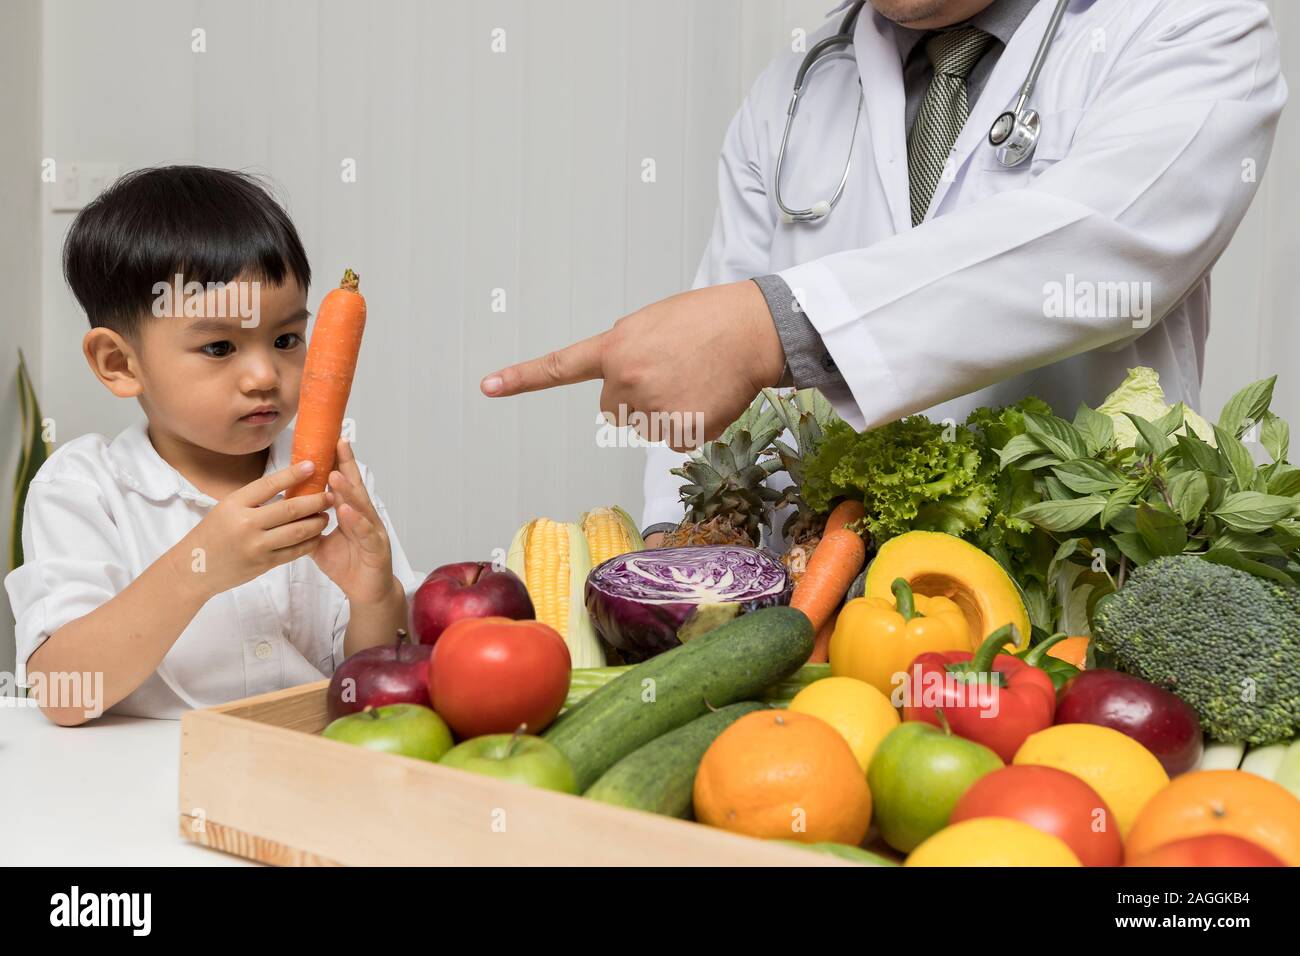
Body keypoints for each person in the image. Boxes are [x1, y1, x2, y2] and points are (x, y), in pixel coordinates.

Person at [478, 0, 1286, 544]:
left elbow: (1112, 240)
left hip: (1074, 600)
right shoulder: (797, 85)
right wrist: (680, 547)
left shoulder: (1188, 24)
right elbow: (714, 355)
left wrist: (781, 326)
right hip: (834, 631)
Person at [4, 167, 421, 725]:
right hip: (138, 786)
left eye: (286, 339)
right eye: (220, 346)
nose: (263, 375)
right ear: (120, 363)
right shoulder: (81, 488)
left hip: (306, 772)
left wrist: (376, 598)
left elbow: (379, 678)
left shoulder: (337, 485)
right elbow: (62, 694)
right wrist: (196, 570)